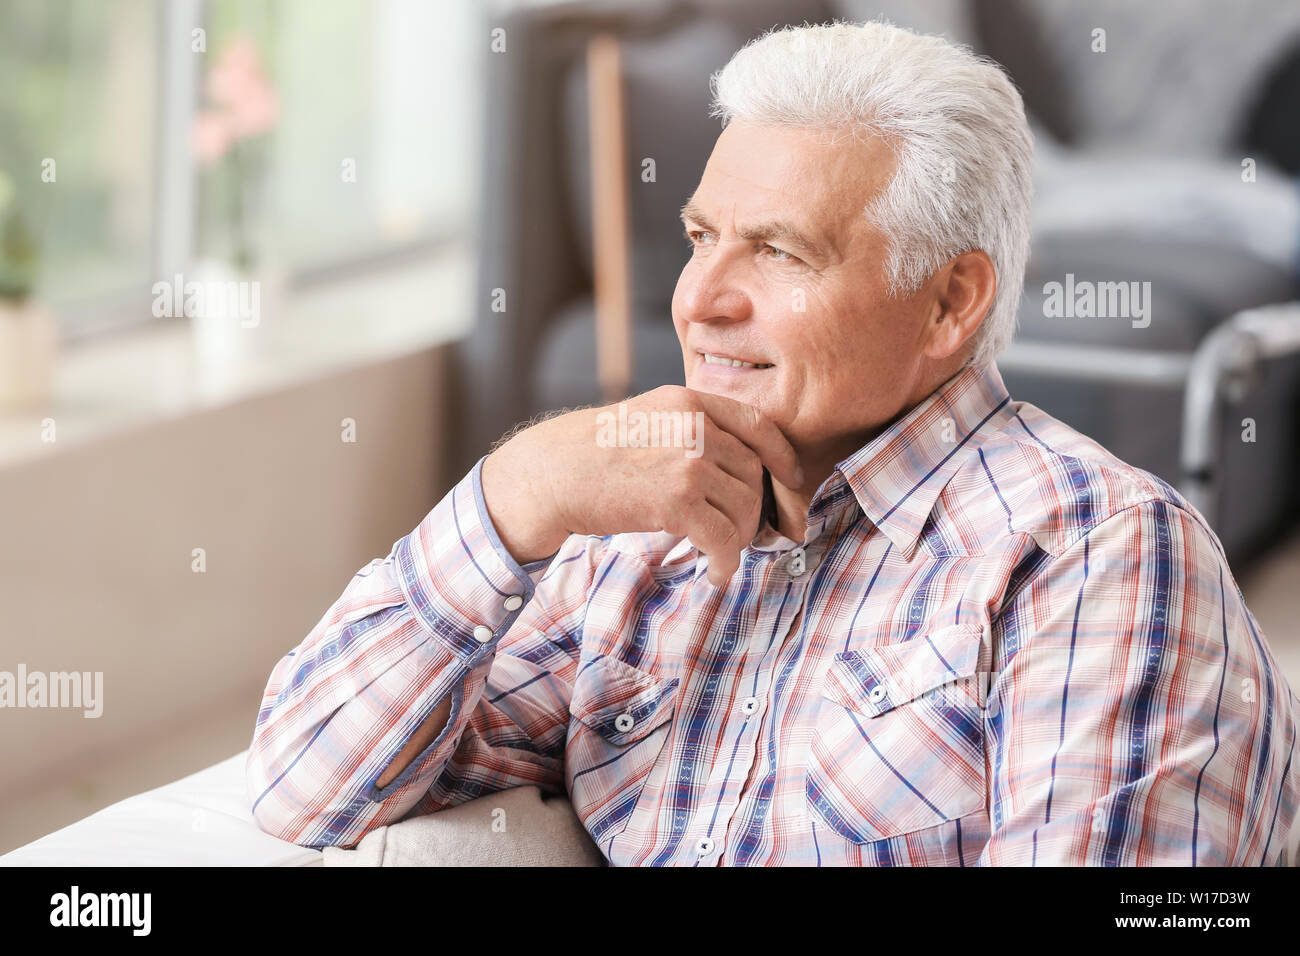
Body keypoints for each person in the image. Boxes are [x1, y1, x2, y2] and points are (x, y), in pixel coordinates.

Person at [246, 20, 1300, 865]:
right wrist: (514, 492)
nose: (699, 300)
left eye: (780, 251)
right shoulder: (628, 547)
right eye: (703, 237)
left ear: (948, 302)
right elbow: (303, 785)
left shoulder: (1097, 556)